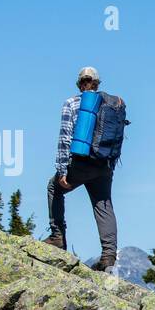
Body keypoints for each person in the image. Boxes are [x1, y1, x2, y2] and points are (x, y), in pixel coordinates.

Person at [44, 66, 118, 271]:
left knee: (53, 188)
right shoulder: (108, 104)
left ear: (79, 83)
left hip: (81, 163)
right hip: (103, 164)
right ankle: (109, 254)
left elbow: (65, 138)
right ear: (97, 83)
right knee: (103, 205)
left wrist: (61, 171)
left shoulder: (72, 103)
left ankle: (58, 236)